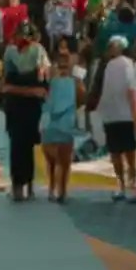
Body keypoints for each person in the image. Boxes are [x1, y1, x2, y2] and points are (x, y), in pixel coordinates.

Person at [0, 23, 49, 202]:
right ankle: (17, 185)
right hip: (15, 106)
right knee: (16, 145)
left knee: (28, 145)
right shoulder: (10, 52)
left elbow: (44, 82)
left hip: (31, 107)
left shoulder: (38, 51)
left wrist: (30, 90)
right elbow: (4, 85)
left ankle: (29, 183)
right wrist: (27, 91)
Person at [96, 36, 136, 202]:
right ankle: (124, 185)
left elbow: (132, 91)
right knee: (120, 152)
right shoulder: (110, 66)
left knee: (125, 152)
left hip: (122, 115)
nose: (109, 50)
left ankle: (129, 185)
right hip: (116, 115)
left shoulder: (124, 64)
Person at [42, 52, 85, 203]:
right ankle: (56, 189)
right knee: (56, 160)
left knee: (62, 160)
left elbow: (81, 99)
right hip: (54, 122)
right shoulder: (50, 79)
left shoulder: (73, 81)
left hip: (62, 123)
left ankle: (60, 190)